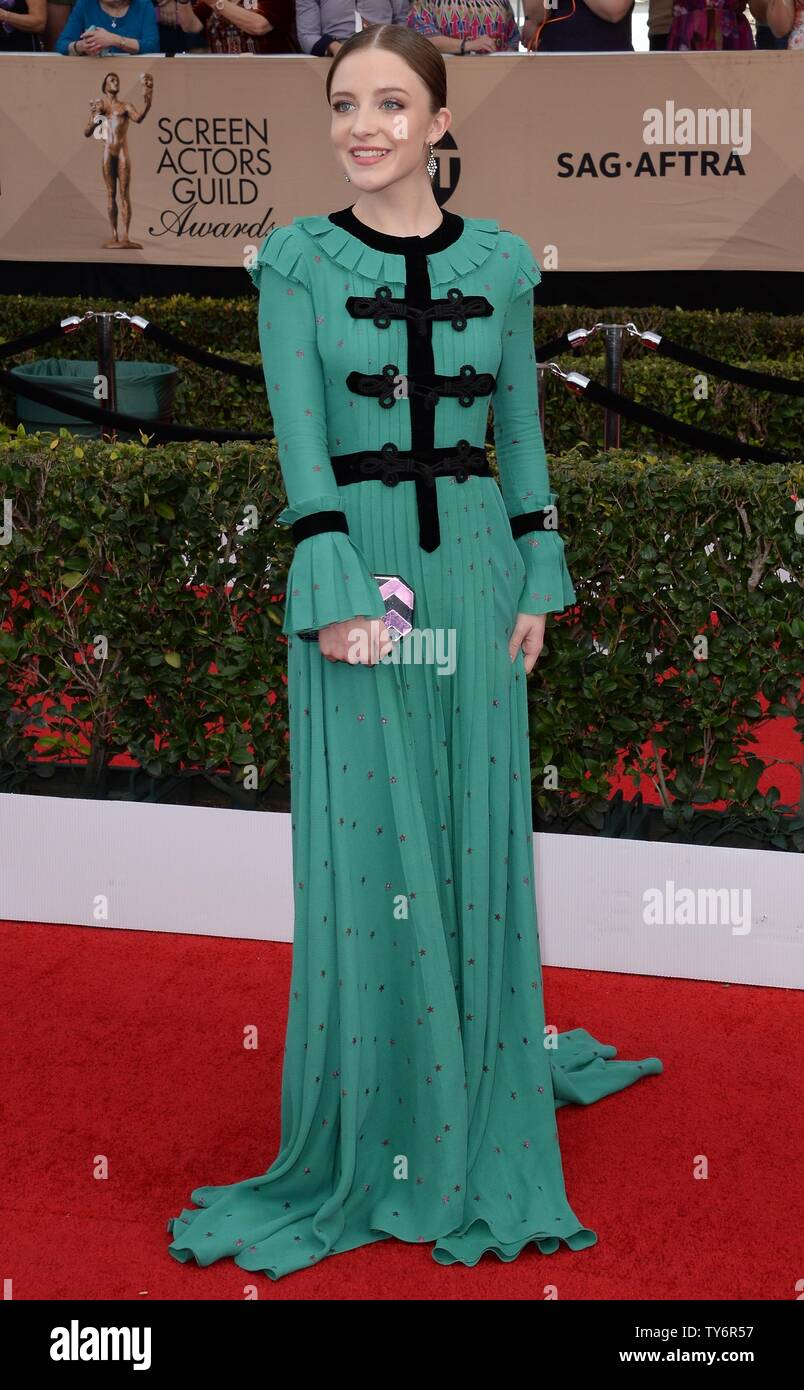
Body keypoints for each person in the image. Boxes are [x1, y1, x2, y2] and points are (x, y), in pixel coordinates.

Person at [166, 22, 662, 1281]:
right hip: (361, 576)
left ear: (441, 122)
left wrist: (542, 567)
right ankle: (381, 1124)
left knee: (471, 833)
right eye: (346, 105)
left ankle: (481, 1079)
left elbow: (525, 439)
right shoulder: (297, 261)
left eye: (393, 103)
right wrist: (331, 585)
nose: (366, 126)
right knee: (374, 840)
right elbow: (298, 445)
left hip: (479, 569)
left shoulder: (501, 263)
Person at [173, 0, 299, 52]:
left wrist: (216, 3)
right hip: (222, 80)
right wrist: (183, 2)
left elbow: (258, 26)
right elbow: (190, 26)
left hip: (269, 79)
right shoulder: (210, 4)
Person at [296, 0, 408, 57]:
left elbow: (402, 22)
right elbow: (307, 35)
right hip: (335, 57)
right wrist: (334, 48)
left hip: (385, 52)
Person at [406, 0, 521, 50]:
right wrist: (468, 45)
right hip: (445, 77)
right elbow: (421, 39)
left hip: (495, 76)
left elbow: (513, 38)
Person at [522, 0, 635, 51]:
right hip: (554, 59)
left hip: (605, 62)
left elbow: (614, 9)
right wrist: (530, 20)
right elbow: (537, 15)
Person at [54, 0, 160, 53]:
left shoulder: (143, 4)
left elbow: (152, 47)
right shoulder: (85, 3)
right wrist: (82, 46)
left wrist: (115, 40)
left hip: (134, 74)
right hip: (93, 73)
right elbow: (62, 44)